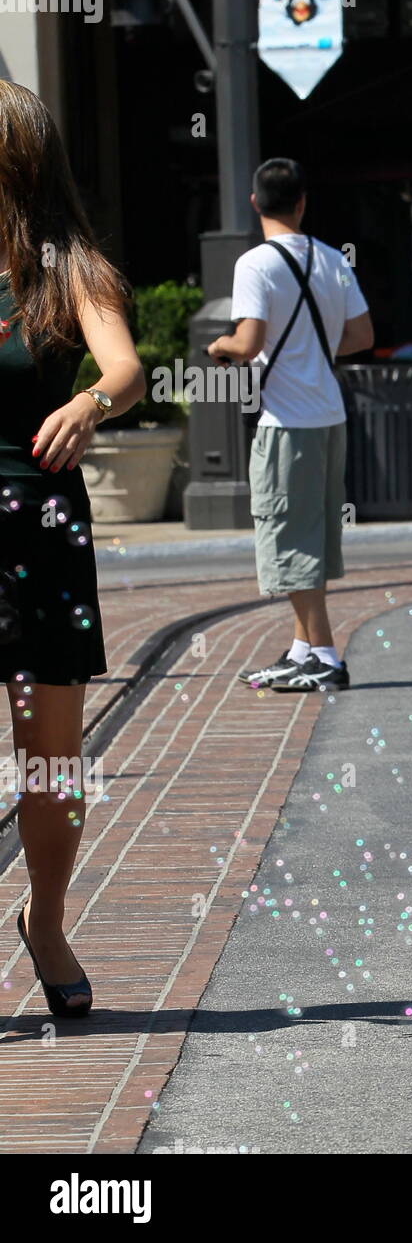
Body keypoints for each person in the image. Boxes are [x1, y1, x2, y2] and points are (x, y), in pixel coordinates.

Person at [0, 79, 146, 1018]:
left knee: (50, 759)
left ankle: (44, 921)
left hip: (39, 528)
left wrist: (91, 401)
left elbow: (127, 367)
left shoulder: (67, 266)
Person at [208, 159, 374, 692]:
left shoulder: (256, 264)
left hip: (286, 422)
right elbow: (361, 335)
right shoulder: (330, 259)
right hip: (330, 416)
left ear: (254, 203)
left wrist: (221, 346)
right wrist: (314, 349)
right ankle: (303, 648)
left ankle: (325, 653)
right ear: (302, 202)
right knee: (316, 534)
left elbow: (249, 341)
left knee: (291, 538)